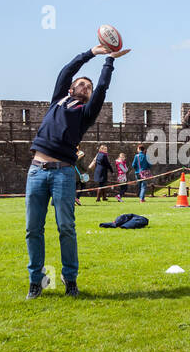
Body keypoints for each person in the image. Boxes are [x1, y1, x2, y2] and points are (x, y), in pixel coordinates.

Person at [25, 43, 129, 299]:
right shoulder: (58, 99)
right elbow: (66, 71)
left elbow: (102, 88)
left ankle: (70, 279)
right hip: (37, 171)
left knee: (66, 228)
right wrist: (91, 54)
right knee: (33, 229)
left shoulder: (86, 113)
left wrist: (110, 61)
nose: (85, 86)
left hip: (62, 173)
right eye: (81, 84)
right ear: (71, 88)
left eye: (88, 87)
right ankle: (36, 281)